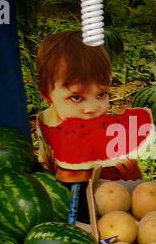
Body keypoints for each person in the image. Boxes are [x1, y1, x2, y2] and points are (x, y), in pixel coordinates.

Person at [34, 30, 141, 182]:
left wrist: (133, 176)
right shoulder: (44, 120)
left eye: (101, 94)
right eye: (77, 97)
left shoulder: (110, 136)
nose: (92, 108)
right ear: (47, 94)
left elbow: (121, 190)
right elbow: (48, 166)